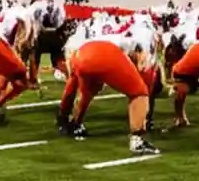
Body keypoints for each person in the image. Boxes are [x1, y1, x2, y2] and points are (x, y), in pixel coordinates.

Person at [57, 15, 162, 155]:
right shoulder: (140, 31)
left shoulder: (88, 30)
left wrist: (63, 115)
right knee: (139, 93)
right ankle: (137, 139)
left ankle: (74, 123)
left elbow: (70, 85)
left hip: (82, 54)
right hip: (107, 52)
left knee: (86, 93)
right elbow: (144, 64)